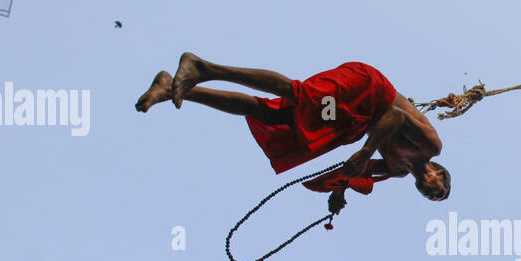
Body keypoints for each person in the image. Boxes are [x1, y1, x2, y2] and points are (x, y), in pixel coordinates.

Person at [136, 55, 451, 214]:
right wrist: (367, 151)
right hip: (369, 90)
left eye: (433, 197)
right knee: (300, 96)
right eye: (440, 190)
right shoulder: (430, 147)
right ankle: (204, 68)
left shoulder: (396, 170)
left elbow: (353, 174)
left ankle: (175, 90)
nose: (433, 194)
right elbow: (395, 116)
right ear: (439, 173)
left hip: (353, 117)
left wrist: (339, 193)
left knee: (279, 117)